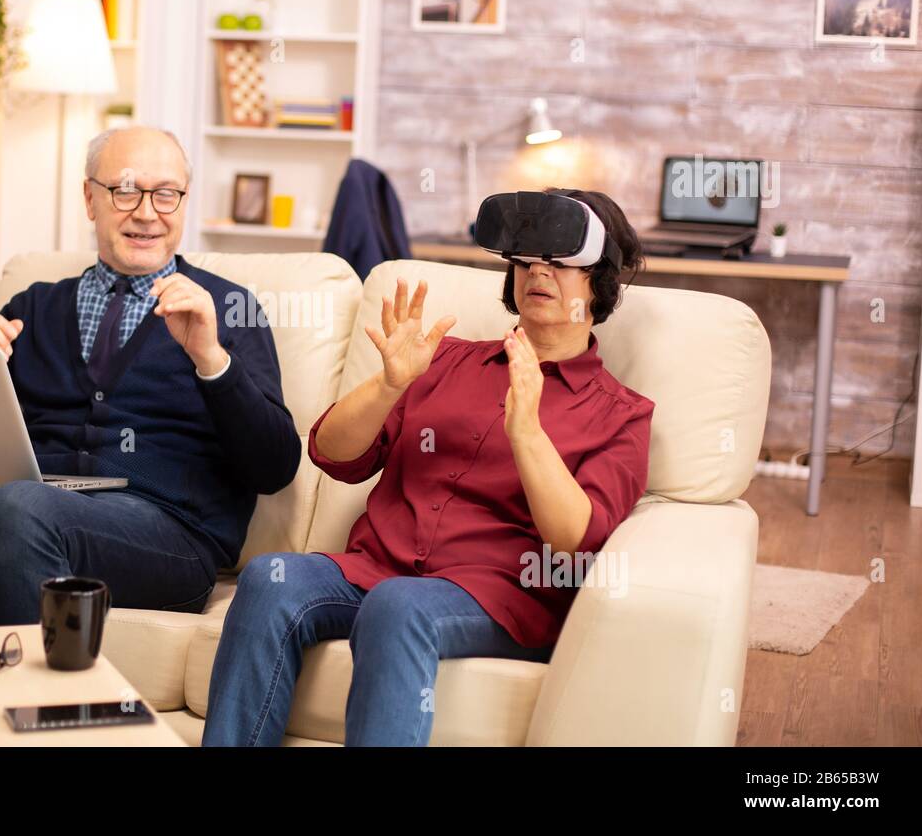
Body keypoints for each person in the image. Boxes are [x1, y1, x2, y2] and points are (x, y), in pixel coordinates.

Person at [0, 126, 302, 631]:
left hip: (165, 536)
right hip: (12, 513)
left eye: (166, 194)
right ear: (90, 198)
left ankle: (17, 705)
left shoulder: (228, 309)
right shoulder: (34, 307)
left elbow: (274, 465)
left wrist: (211, 359)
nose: (147, 213)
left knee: (18, 507)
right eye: (125, 191)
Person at [202, 188, 655, 747]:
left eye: (560, 262)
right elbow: (332, 454)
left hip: (503, 598)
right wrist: (389, 382)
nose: (539, 272)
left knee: (398, 606)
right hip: (375, 570)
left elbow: (574, 541)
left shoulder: (621, 414)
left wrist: (527, 432)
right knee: (271, 579)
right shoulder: (444, 358)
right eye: (527, 258)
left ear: (600, 283)